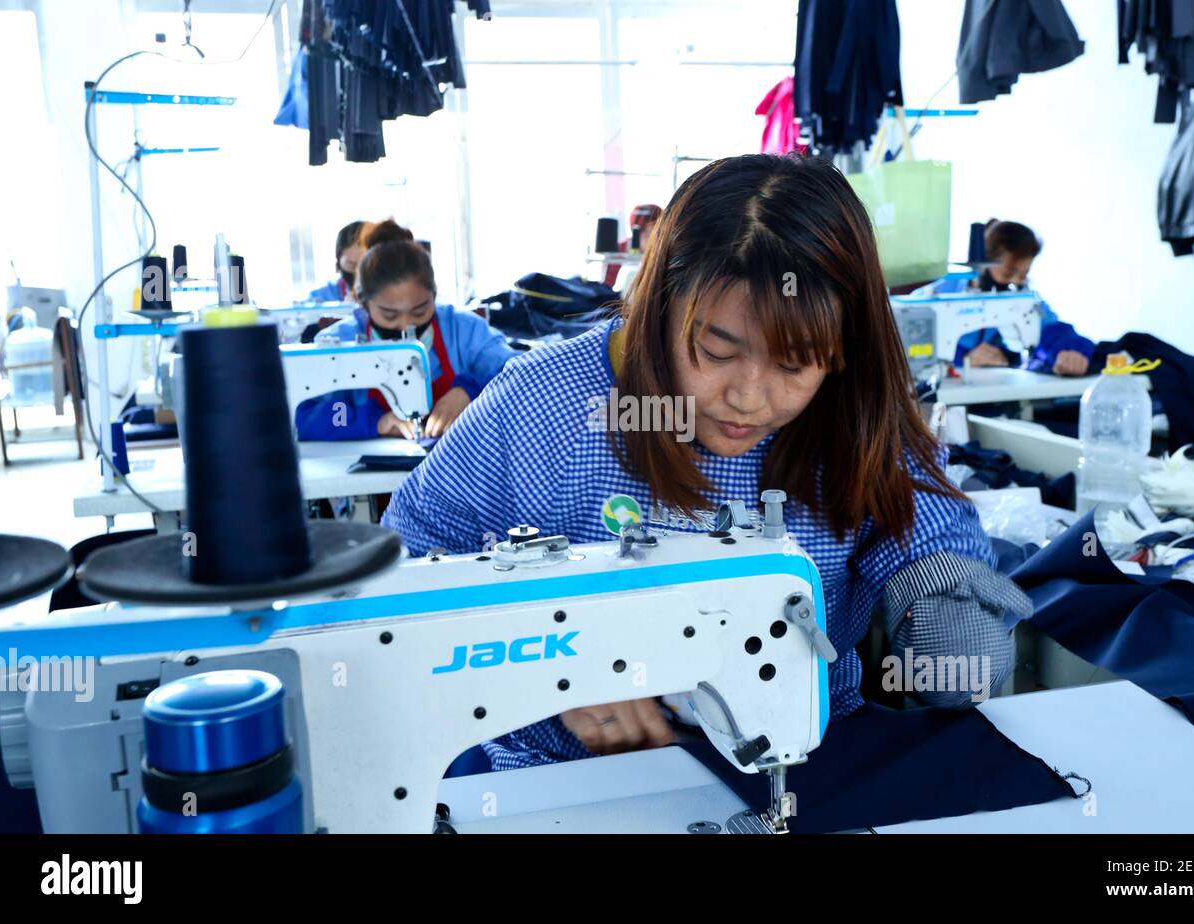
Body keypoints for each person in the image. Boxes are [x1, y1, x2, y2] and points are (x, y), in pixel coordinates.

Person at [384, 155, 1031, 771]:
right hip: (569, 778)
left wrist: (951, 628)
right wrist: (533, 670)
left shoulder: (850, 414)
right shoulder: (545, 408)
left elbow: (934, 552)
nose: (749, 397)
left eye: (795, 361)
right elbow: (405, 572)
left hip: (805, 759)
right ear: (661, 310)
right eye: (717, 350)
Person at [295, 219, 518, 440]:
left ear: (434, 295)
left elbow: (519, 374)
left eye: (420, 311)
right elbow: (311, 418)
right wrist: (373, 422)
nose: (407, 324)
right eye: (390, 315)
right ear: (364, 305)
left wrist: (471, 391)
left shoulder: (465, 330)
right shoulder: (338, 342)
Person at [913, 220, 1094, 376]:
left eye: (1024, 275)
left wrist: (1068, 352)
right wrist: (962, 358)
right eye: (1008, 274)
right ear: (983, 266)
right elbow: (912, 348)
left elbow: (1052, 332)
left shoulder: (1024, 299)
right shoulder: (939, 295)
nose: (1016, 282)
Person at [603, 204, 663, 289]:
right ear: (636, 232)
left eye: (657, 232)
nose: (652, 238)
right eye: (646, 231)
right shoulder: (620, 250)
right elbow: (608, 286)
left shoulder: (664, 251)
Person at [308, 220, 366, 302]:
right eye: (351, 265)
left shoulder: (387, 295)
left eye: (365, 265)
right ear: (338, 262)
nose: (358, 273)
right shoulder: (322, 298)